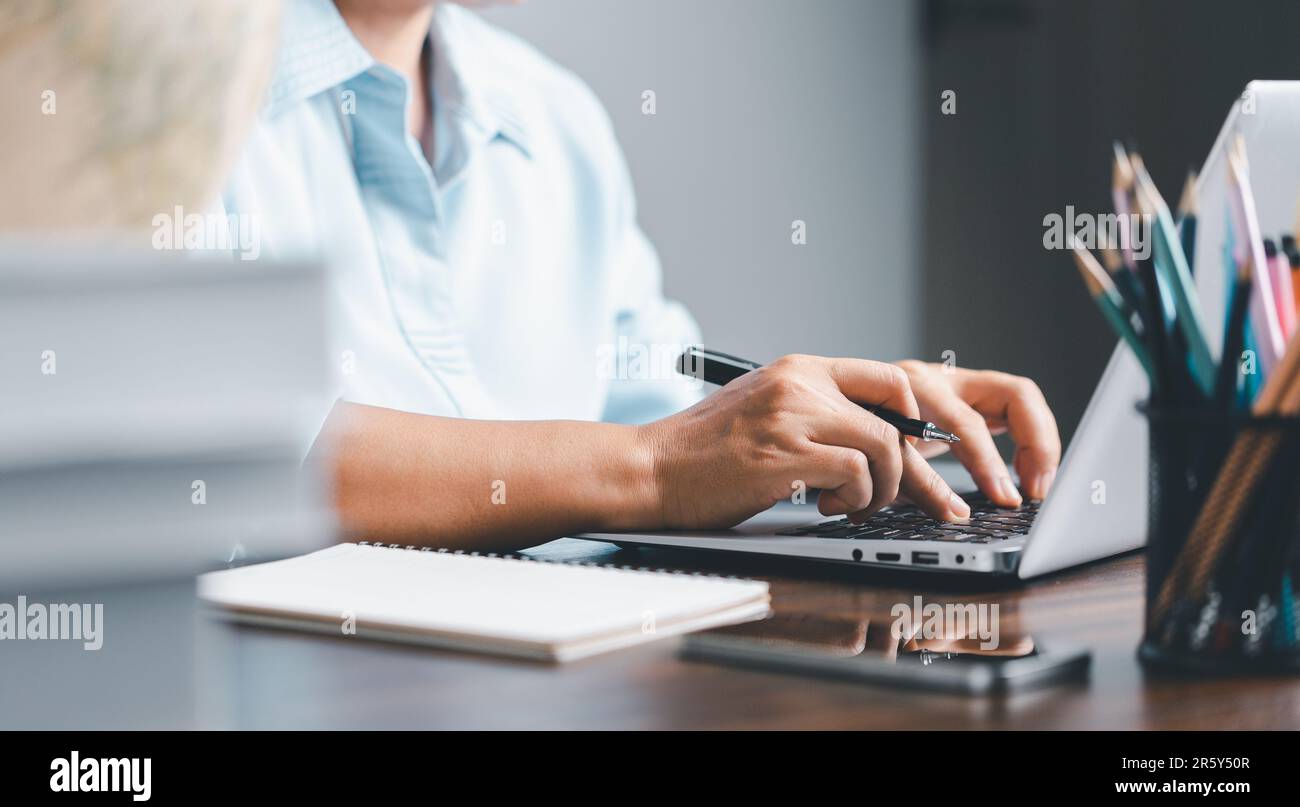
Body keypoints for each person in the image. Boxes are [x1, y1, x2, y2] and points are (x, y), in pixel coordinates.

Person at [220, 0, 1061, 550]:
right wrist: (653, 467)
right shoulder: (147, 109)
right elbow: (233, 462)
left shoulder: (556, 116)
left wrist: (834, 416)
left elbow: (669, 410)